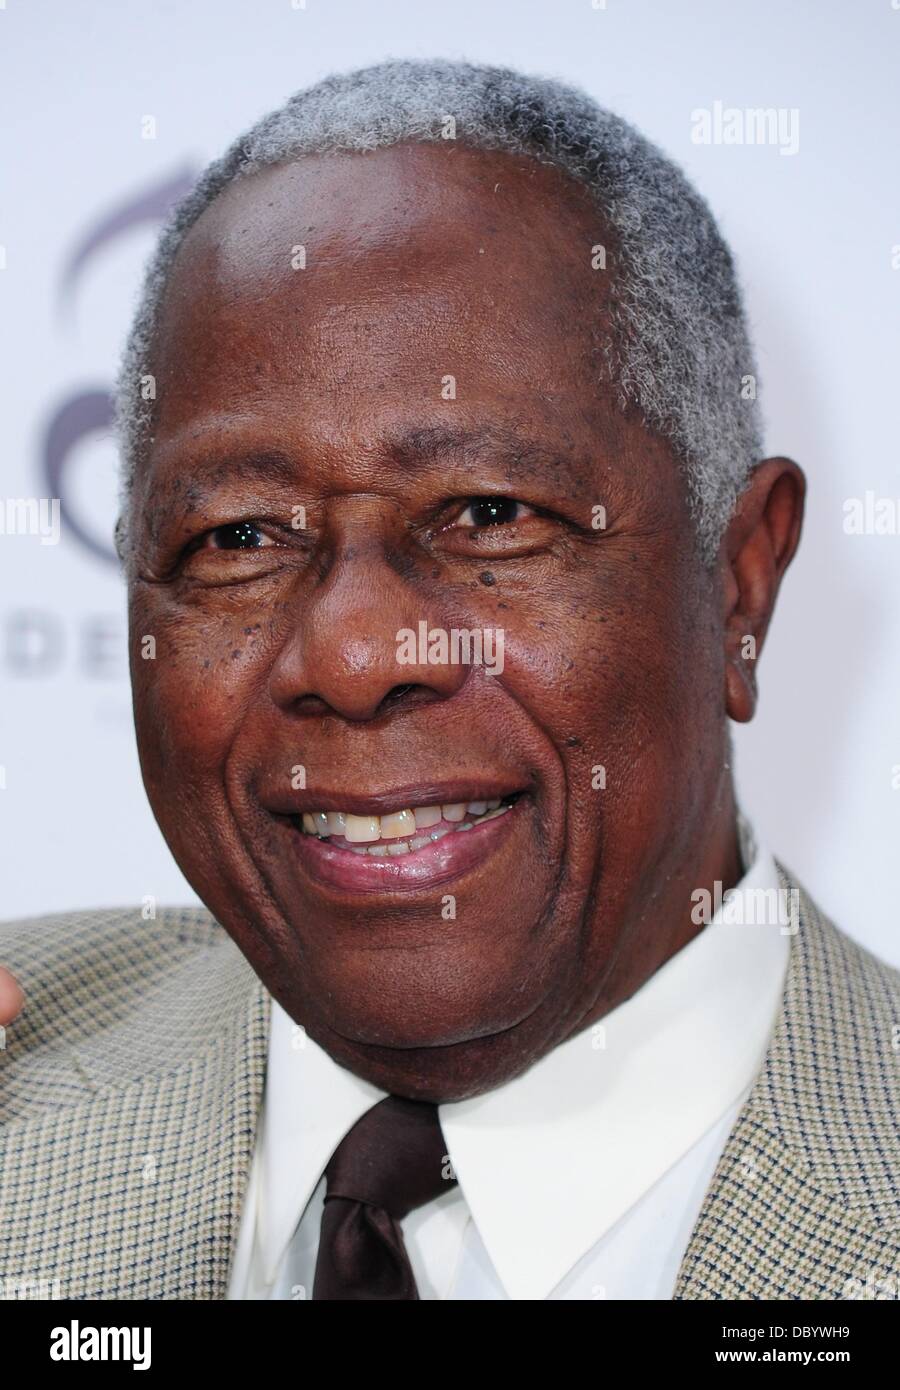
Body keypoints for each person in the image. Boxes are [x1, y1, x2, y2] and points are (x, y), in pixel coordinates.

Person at [1, 59, 897, 1302]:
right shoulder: (17, 1092)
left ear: (739, 580)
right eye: (240, 538)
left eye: (490, 512)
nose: (357, 659)